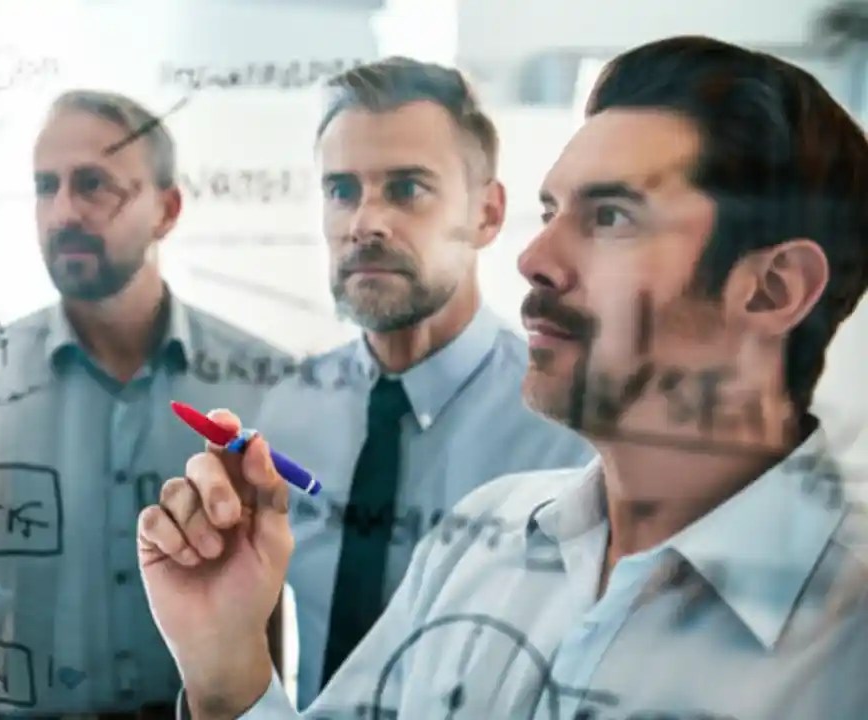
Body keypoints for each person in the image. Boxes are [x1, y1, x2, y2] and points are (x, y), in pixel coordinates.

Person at [138, 35, 868, 720]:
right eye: (553, 211)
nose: (535, 257)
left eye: (611, 216)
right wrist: (226, 666)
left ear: (773, 289)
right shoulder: (475, 537)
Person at [0, 90, 288, 718]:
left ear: (167, 210)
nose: (63, 212)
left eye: (93, 185)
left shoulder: (266, 387)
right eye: (45, 186)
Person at [252, 56, 594, 706]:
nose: (364, 223)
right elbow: (255, 630)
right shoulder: (289, 412)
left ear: (488, 214)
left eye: (407, 189)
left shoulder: (568, 433)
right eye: (341, 190)